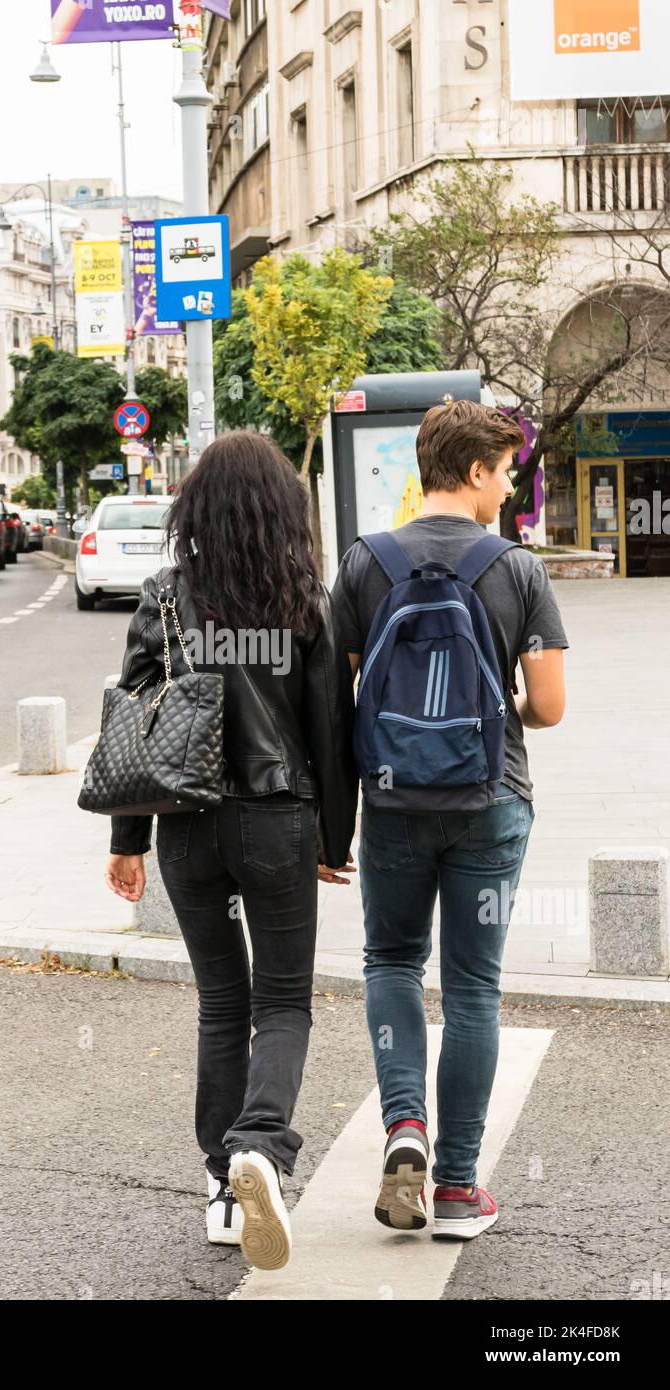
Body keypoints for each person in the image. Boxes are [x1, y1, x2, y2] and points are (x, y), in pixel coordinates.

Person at [104, 431, 357, 1271]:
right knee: (283, 1001)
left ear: (196, 507)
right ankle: (262, 1147)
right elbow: (328, 731)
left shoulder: (166, 597)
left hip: (186, 824)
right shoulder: (302, 598)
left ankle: (223, 1189)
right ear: (284, 507)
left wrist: (126, 839)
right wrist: (332, 836)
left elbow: (133, 721)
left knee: (221, 1000)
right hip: (279, 817)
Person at [332, 399, 568, 1240]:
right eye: (506, 472)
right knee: (473, 987)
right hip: (491, 800)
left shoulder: (365, 562)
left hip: (392, 801)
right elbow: (548, 705)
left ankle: (405, 1128)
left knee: (392, 959)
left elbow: (343, 700)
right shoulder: (519, 569)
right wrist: (494, 712)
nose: (509, 488)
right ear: (473, 472)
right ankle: (462, 1190)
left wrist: (335, 829)